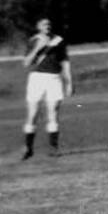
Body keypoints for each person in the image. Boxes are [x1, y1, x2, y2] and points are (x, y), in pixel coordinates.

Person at [22, 17, 72, 159]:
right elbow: (26, 63)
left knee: (53, 113)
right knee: (33, 114)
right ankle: (28, 148)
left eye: (49, 24)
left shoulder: (59, 41)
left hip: (54, 78)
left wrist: (69, 82)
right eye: (44, 24)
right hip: (37, 78)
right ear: (38, 26)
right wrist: (38, 48)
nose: (47, 26)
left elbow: (65, 62)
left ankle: (53, 148)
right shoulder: (33, 40)